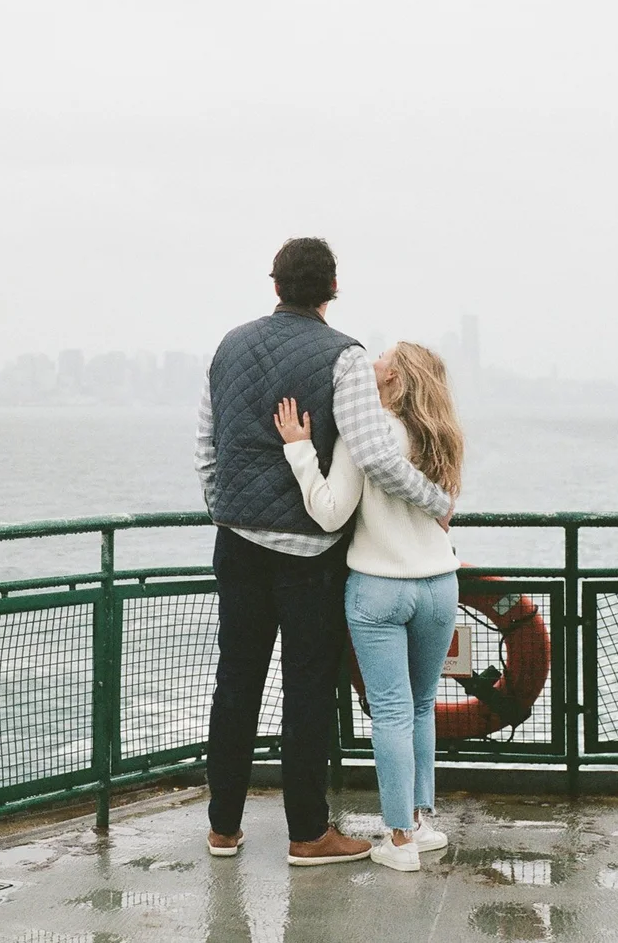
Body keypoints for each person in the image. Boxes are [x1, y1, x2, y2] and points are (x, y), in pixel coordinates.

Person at [197, 238, 454, 866]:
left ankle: (223, 830)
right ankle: (308, 835)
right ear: (333, 289)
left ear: (275, 283)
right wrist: (435, 498)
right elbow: (374, 454)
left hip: (236, 543)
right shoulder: (343, 357)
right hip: (310, 554)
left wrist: (224, 507)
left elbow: (207, 445)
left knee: (236, 682)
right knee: (306, 690)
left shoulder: (227, 345)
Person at [273, 341, 464, 872]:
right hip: (439, 583)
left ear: (395, 381)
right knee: (422, 705)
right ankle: (421, 824)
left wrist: (300, 450)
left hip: (379, 587)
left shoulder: (370, 435)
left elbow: (330, 512)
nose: (372, 361)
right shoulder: (440, 439)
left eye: (384, 357)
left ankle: (398, 840)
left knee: (391, 712)